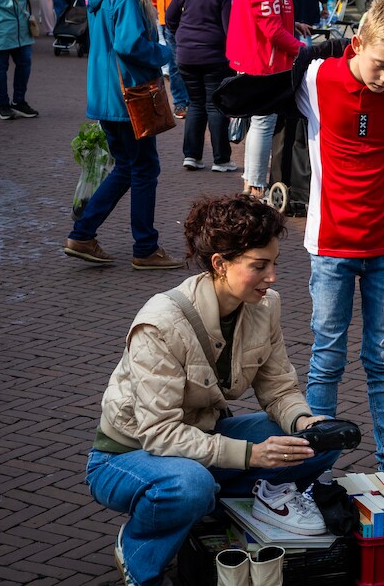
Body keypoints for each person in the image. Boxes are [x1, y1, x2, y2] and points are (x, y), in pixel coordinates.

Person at [86, 194, 341, 586]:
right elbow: (159, 433)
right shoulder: (161, 323)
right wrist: (252, 455)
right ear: (220, 264)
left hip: (201, 440)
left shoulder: (265, 306)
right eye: (259, 265)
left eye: (274, 263)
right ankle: (139, 550)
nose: (272, 277)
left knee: (321, 442)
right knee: (191, 486)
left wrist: (305, 423)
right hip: (127, 456)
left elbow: (278, 389)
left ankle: (217, 511)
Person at [295, 0, 384, 474]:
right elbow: (269, 68)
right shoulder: (316, 78)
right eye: (380, 64)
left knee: (382, 359)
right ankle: (313, 471)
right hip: (330, 245)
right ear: (356, 44)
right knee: (326, 358)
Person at [63, 0, 183, 270]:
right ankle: (145, 247)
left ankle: (83, 233)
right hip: (129, 97)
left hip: (107, 96)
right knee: (143, 169)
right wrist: (164, 52)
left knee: (128, 168)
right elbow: (129, 44)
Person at [227, 0, 311, 198]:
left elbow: (265, 16)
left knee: (258, 122)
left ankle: (250, 183)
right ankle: (255, 187)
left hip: (255, 54)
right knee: (263, 123)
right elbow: (271, 29)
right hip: (264, 60)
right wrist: (303, 50)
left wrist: (292, 25)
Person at [166, 0, 236, 172]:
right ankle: (221, 159)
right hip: (213, 55)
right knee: (215, 105)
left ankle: (191, 155)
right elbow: (229, 26)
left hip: (186, 56)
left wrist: (182, 37)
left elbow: (170, 17)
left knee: (195, 103)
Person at [150, 0, 200, 119]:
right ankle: (180, 101)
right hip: (171, 17)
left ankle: (194, 99)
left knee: (194, 59)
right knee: (176, 61)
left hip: (194, 14)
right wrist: (159, 10)